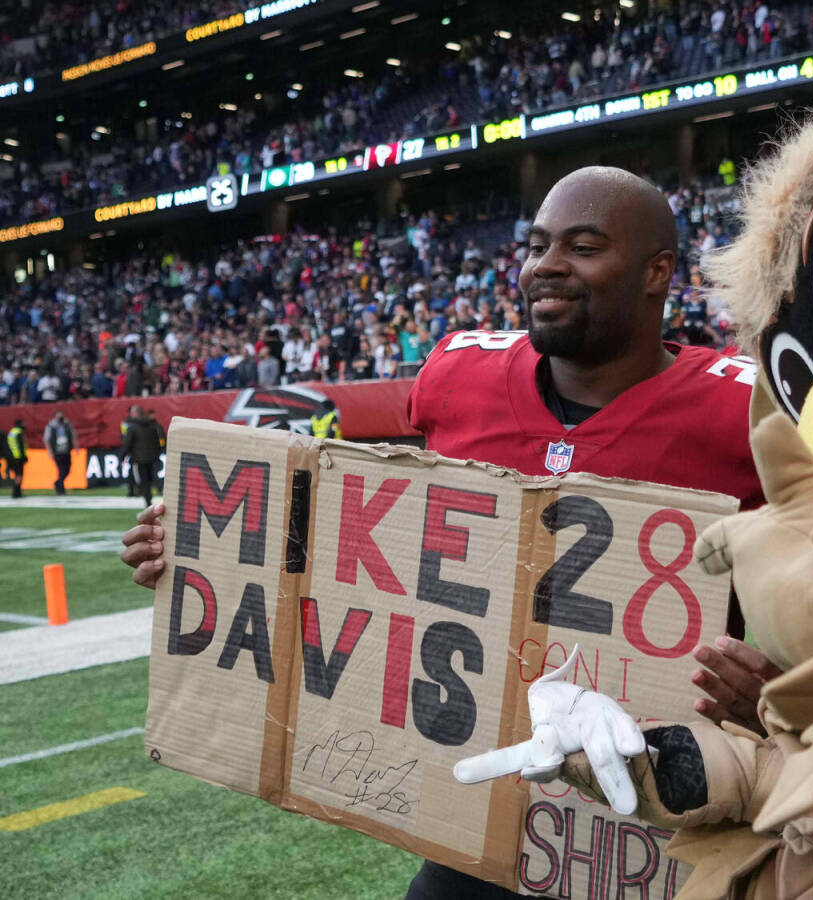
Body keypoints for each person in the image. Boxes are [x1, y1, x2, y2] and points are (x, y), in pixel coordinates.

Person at [118, 167, 771, 899]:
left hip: (657, 826)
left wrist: (777, 695)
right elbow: (372, 533)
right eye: (537, 244)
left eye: (583, 247)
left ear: (658, 272)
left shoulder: (750, 414)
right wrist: (210, 545)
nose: (546, 265)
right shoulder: (462, 376)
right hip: (482, 806)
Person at [122, 408, 165, 507]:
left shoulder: (132, 427)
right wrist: (157, 453)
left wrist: (123, 455)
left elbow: (127, 443)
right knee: (150, 479)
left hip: (139, 458)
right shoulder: (153, 426)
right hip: (151, 458)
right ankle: (149, 496)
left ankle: (147, 498)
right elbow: (158, 442)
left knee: (142, 480)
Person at [43, 412, 76, 495]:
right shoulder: (51, 426)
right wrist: (49, 451)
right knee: (61, 469)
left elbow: (73, 435)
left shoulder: (67, 424)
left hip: (66, 450)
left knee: (67, 469)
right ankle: (61, 489)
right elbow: (46, 439)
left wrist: (75, 447)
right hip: (57, 451)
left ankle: (58, 483)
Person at [120, 405, 143, 496]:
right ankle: (133, 490)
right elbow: (124, 436)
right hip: (134, 451)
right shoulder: (127, 423)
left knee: (137, 473)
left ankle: (137, 490)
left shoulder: (131, 423)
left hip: (138, 450)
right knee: (134, 472)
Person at [5, 419, 25, 498]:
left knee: (16, 474)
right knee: (19, 475)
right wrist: (23, 456)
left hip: (11, 457)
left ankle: (15, 491)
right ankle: (16, 492)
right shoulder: (19, 432)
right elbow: (21, 445)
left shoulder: (11, 432)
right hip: (18, 457)